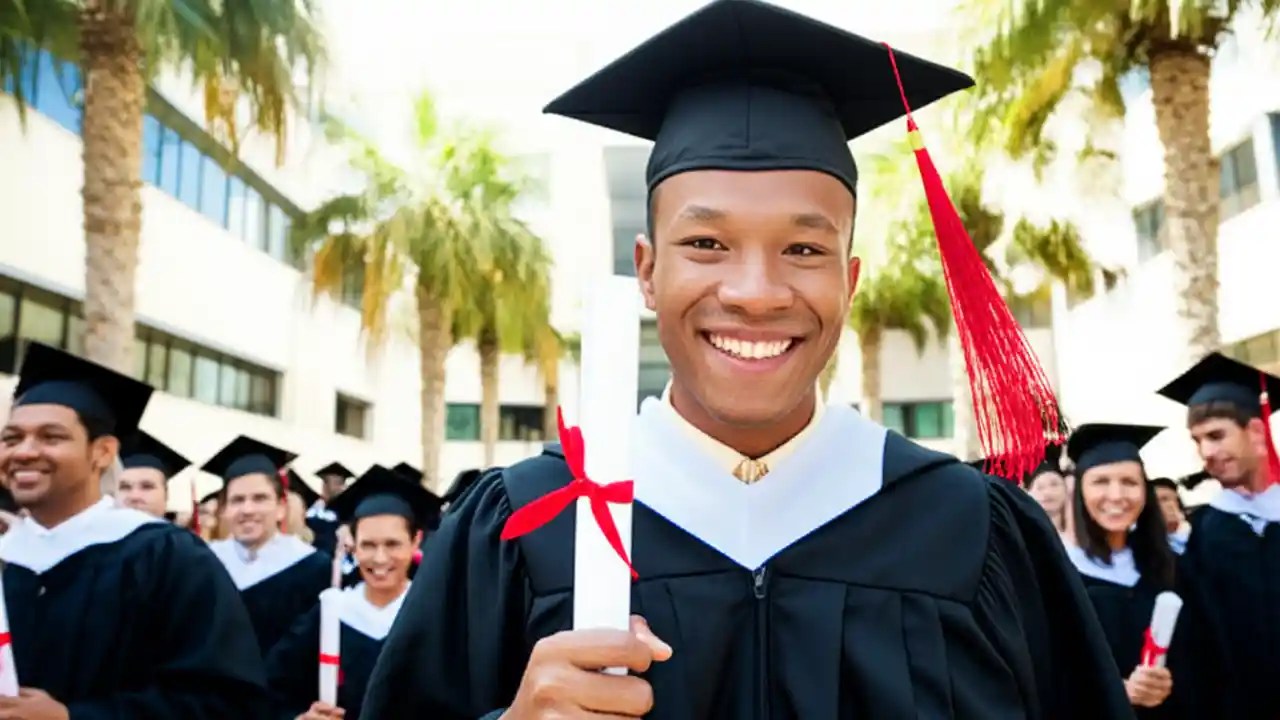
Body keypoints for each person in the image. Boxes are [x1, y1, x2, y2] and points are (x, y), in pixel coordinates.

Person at [362, 2, 1131, 717]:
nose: (757, 293)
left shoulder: (972, 532)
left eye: (804, 249)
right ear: (649, 272)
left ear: (849, 280)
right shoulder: (522, 530)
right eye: (705, 244)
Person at [0, 342, 270, 718]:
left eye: (51, 437)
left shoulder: (166, 556)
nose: (24, 451)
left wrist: (72, 718)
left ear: (104, 452)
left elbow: (226, 702)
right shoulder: (7, 556)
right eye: (11, 439)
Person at [1065, 423, 1234, 718]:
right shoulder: (1059, 577)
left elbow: (1211, 661)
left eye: (1129, 482)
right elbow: (1049, 675)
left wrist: (1174, 682)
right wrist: (1117, 691)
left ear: (1145, 492)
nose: (1116, 495)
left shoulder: (1175, 569)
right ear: (1080, 491)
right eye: (1101, 481)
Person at [1157, 352, 1280, 719]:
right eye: (1198, 441)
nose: (1206, 453)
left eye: (1216, 436)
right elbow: (1199, 650)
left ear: (1256, 432)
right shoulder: (1207, 533)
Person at [267, 465, 434, 720]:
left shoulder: (434, 616)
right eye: (368, 545)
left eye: (392, 544)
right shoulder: (331, 613)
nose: (380, 558)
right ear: (352, 545)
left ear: (416, 542)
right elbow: (277, 691)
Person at [205, 435, 332, 655]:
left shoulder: (313, 567)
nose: (247, 509)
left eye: (260, 498)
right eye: (237, 500)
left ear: (281, 507)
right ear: (224, 509)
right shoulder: (204, 564)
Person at [117, 430, 192, 520]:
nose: (134, 496)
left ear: (166, 495)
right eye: (124, 487)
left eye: (147, 487)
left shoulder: (179, 534)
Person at [307, 461, 354, 556]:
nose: (340, 488)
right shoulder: (311, 511)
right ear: (324, 485)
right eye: (336, 483)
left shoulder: (349, 514)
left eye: (342, 483)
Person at [1149, 477, 1189, 553]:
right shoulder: (1143, 546)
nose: (1171, 505)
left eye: (1175, 500)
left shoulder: (1202, 532)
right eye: (1163, 500)